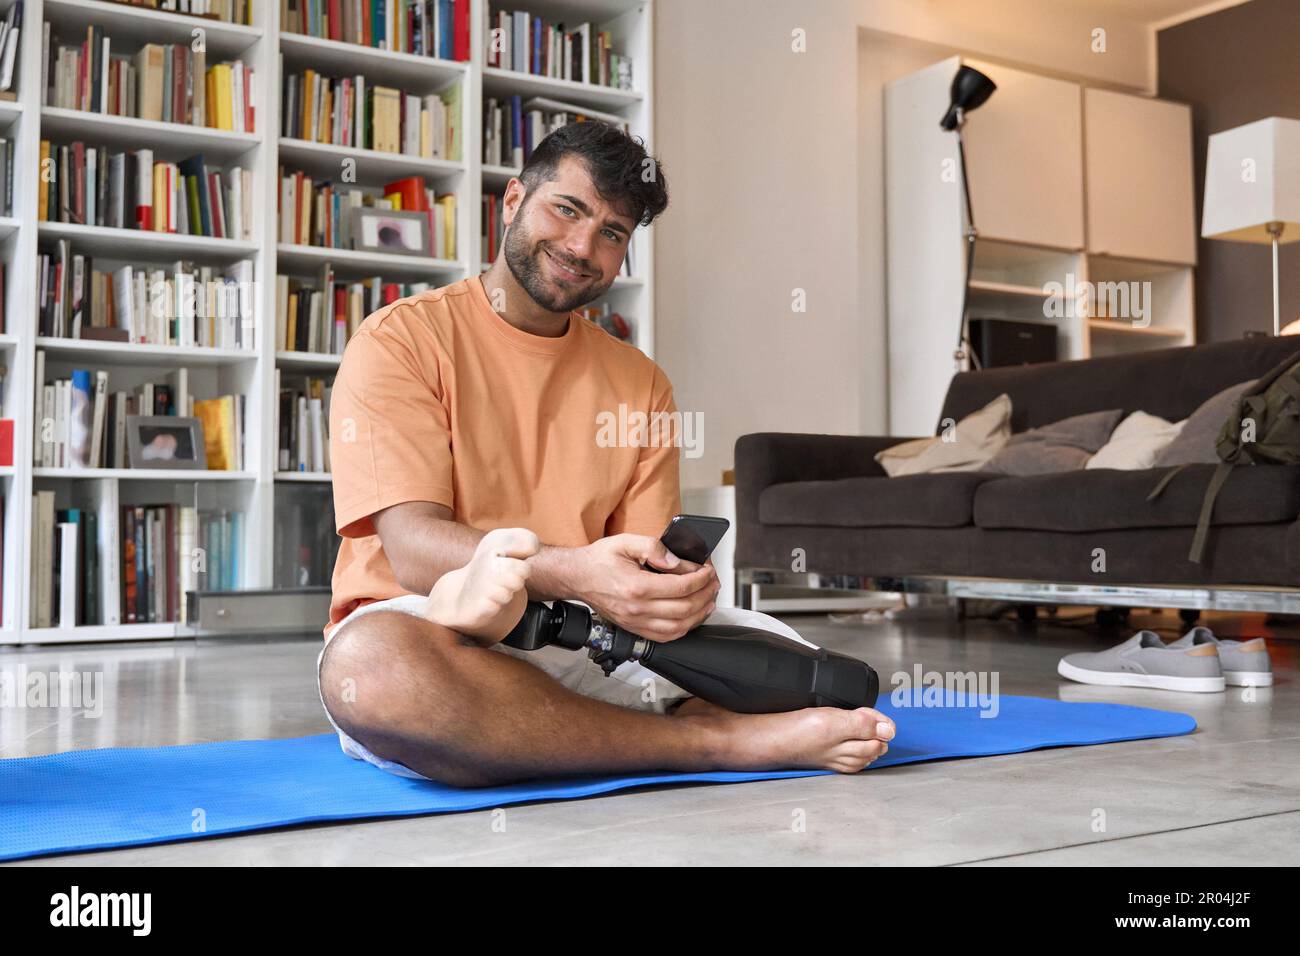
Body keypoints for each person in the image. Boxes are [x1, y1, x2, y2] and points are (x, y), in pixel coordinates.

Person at [319, 121, 894, 786]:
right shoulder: (399, 341)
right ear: (512, 203)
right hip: (437, 631)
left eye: (613, 233)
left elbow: (640, 565)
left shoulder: (640, 382)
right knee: (374, 672)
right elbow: (414, 550)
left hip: (596, 644)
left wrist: (674, 592)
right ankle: (715, 744)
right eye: (567, 210)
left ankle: (580, 733)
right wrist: (576, 572)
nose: (581, 246)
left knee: (832, 682)